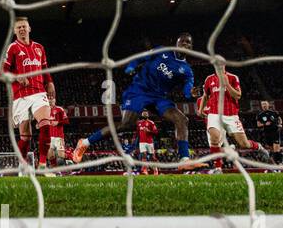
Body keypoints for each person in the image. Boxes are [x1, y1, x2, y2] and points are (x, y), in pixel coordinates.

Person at [73, 33, 200, 165]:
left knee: (182, 119)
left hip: (158, 98)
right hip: (139, 91)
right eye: (182, 42)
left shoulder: (187, 71)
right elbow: (141, 58)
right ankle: (85, 142)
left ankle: (184, 160)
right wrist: (131, 66)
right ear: (177, 44)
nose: (185, 44)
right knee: (125, 124)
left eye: (188, 43)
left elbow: (187, 91)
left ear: (191, 47)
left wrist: (191, 92)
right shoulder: (162, 51)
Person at [3, 17, 55, 167]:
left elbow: (45, 69)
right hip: (20, 96)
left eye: (24, 26)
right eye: (18, 27)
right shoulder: (13, 48)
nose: (22, 29)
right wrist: (17, 77)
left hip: (39, 92)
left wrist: (50, 82)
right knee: (26, 136)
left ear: (29, 28)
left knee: (45, 124)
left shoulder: (39, 48)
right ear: (14, 31)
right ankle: (22, 166)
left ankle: (43, 164)